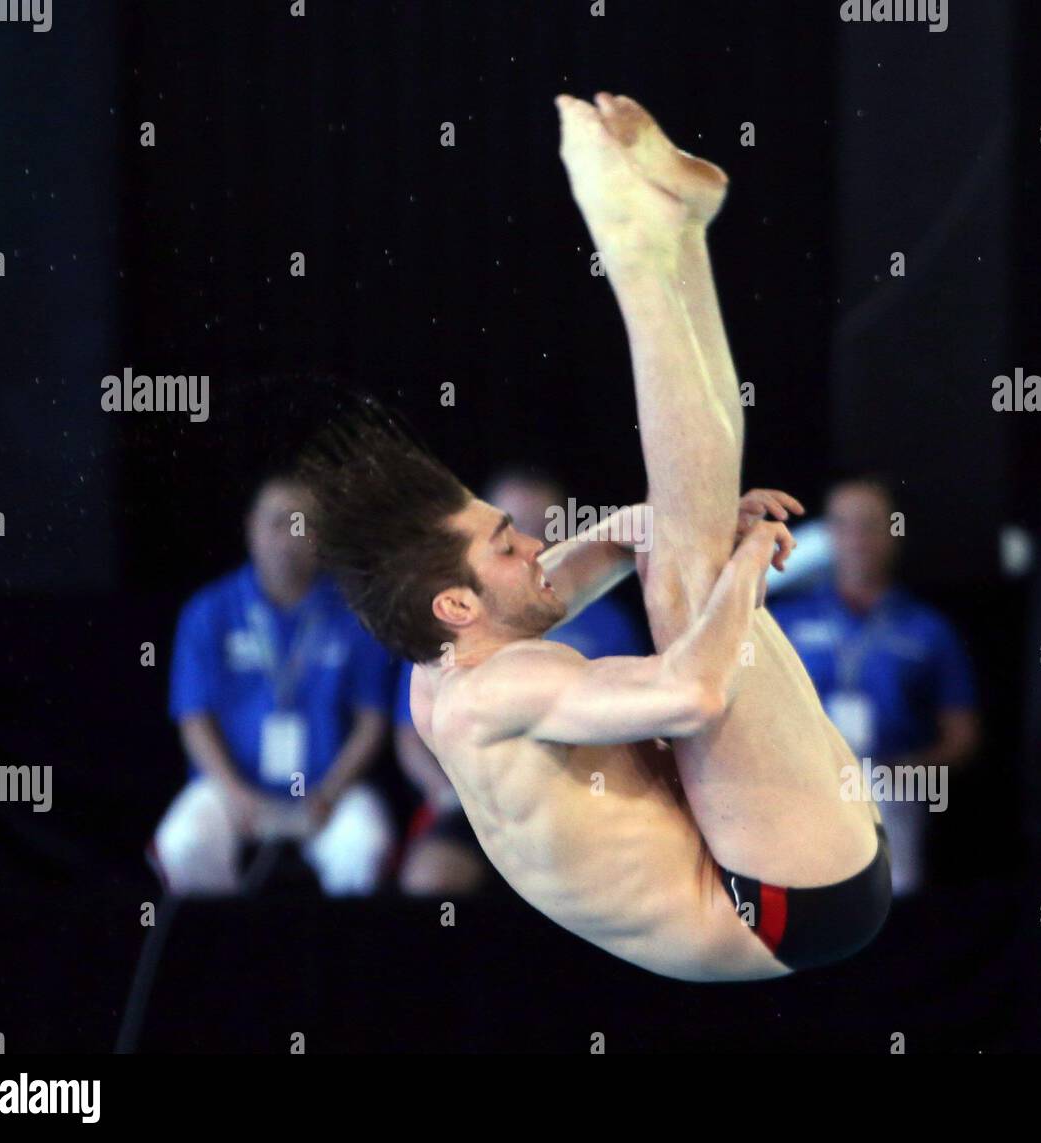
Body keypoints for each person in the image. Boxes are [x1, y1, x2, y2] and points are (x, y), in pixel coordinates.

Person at [299, 93, 889, 982]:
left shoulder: (445, 656)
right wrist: (741, 562)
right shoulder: (502, 687)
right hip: (776, 901)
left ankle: (680, 237)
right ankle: (641, 256)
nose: (537, 547)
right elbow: (693, 695)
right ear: (457, 600)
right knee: (686, 588)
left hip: (767, 848)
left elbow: (624, 538)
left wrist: (703, 523)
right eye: (506, 543)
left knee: (678, 548)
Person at [394, 468, 649, 895]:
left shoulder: (611, 621)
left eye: (545, 526)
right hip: (479, 804)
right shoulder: (449, 622)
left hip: (582, 807)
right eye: (512, 531)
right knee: (431, 877)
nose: (532, 542)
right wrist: (456, 793)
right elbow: (410, 736)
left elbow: (653, 716)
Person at [152, 472, 397, 896]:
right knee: (184, 842)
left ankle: (344, 959)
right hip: (234, 786)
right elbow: (194, 719)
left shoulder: (355, 614)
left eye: (302, 524)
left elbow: (371, 720)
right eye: (277, 522)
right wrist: (236, 794)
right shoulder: (209, 611)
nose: (288, 537)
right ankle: (221, 953)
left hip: (328, 788)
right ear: (251, 527)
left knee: (364, 844)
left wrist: (330, 792)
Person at [771, 478, 981, 896]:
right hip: (803, 787)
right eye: (842, 525)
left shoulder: (928, 629)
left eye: (870, 525)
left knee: (889, 913)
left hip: (891, 791)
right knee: (809, 909)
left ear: (894, 533)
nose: (856, 539)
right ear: (826, 534)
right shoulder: (783, 622)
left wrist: (911, 771)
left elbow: (963, 737)